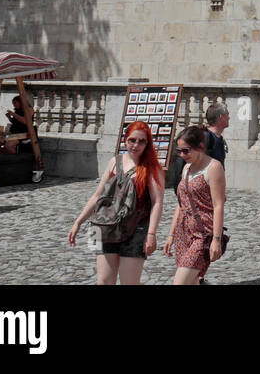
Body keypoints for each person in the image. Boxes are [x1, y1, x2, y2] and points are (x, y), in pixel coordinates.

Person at [68, 121, 164, 284]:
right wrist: (78, 222)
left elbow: (157, 202)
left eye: (142, 141)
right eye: (132, 140)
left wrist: (151, 234)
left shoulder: (152, 168)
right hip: (104, 226)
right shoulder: (114, 162)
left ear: (147, 144)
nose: (136, 145)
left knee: (129, 282)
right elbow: (98, 195)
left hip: (136, 229)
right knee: (104, 281)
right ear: (124, 140)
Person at [164, 125, 226, 285]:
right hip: (183, 233)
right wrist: (171, 235)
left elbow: (218, 205)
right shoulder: (186, 168)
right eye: (179, 151)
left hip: (202, 234)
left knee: (179, 282)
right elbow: (181, 204)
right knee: (191, 282)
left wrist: (217, 239)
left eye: (186, 150)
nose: (182, 155)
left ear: (200, 147)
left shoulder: (214, 168)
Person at [204, 102, 228, 168]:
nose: (229, 118)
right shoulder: (205, 137)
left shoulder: (219, 137)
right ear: (221, 117)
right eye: (227, 115)